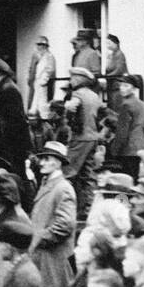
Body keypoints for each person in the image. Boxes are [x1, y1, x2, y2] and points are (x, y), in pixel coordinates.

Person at [27, 142, 77, 287]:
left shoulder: (63, 187)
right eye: (43, 158)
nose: (43, 162)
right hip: (44, 254)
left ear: (59, 162)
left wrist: (37, 238)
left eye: (49, 159)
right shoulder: (47, 184)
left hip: (54, 255)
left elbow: (64, 225)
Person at [64, 61, 103, 218]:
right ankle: (89, 209)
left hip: (79, 138)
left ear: (81, 80)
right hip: (93, 137)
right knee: (89, 175)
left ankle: (66, 208)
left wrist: (66, 106)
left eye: (73, 77)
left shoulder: (77, 94)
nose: (71, 80)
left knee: (68, 172)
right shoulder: (94, 96)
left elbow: (72, 107)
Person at [108, 76, 144, 179]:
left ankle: (127, 196)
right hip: (139, 146)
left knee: (126, 179)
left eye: (126, 86)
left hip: (127, 148)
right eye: (121, 85)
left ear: (133, 88)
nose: (122, 88)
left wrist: (114, 150)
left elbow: (122, 131)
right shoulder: (141, 104)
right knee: (134, 177)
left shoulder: (126, 105)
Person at [26, 37, 57, 116]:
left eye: (41, 45)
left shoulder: (49, 56)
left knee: (43, 102)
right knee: (36, 100)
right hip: (38, 82)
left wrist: (43, 80)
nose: (39, 47)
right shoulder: (39, 56)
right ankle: (34, 112)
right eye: (38, 45)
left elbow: (50, 70)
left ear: (45, 46)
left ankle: (44, 116)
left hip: (45, 83)